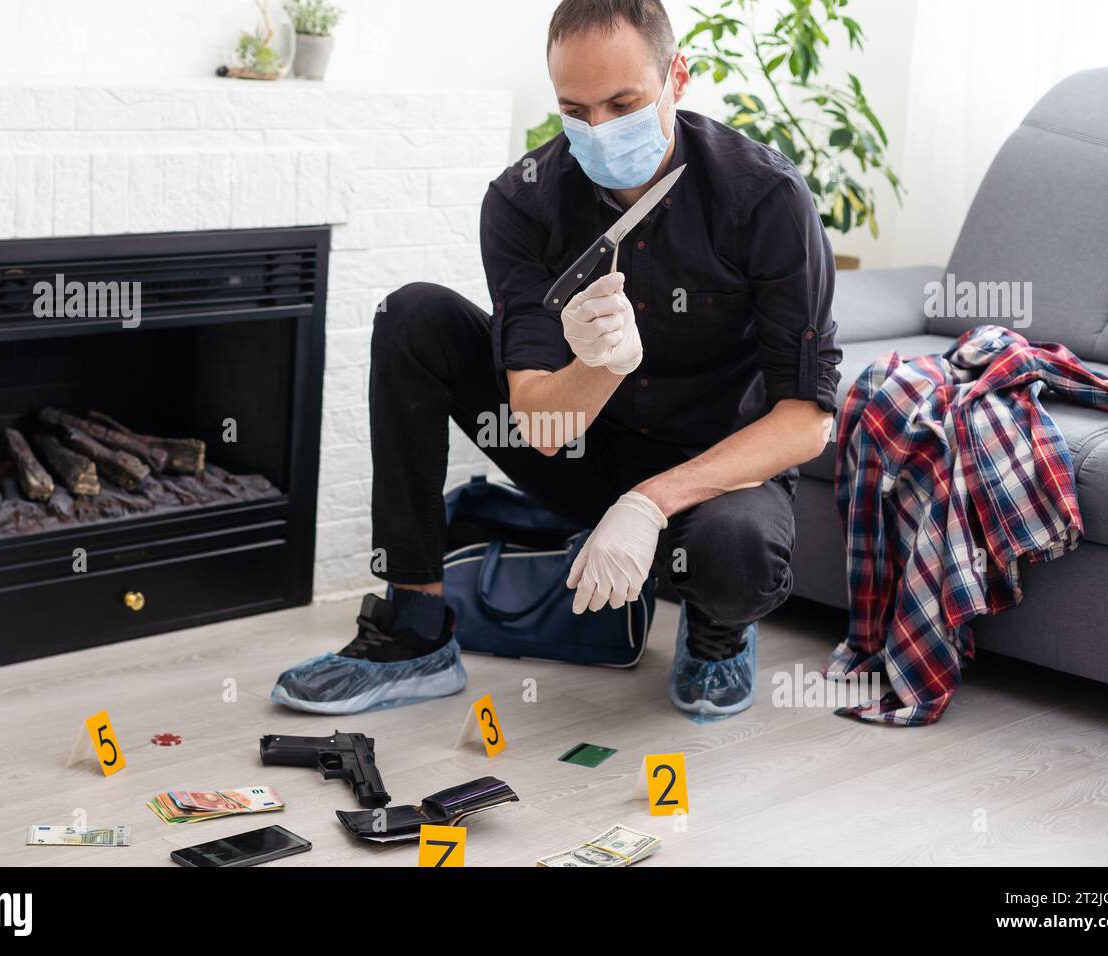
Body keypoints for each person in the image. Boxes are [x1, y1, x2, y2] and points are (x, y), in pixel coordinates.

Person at [285, 0, 840, 719]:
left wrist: (649, 503)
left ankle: (718, 632)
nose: (599, 131)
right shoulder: (524, 202)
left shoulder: (765, 198)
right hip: (584, 451)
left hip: (718, 473)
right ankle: (415, 630)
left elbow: (806, 425)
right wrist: (599, 367)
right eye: (575, 109)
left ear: (679, 77)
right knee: (412, 314)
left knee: (736, 554)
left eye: (623, 102)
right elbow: (543, 426)